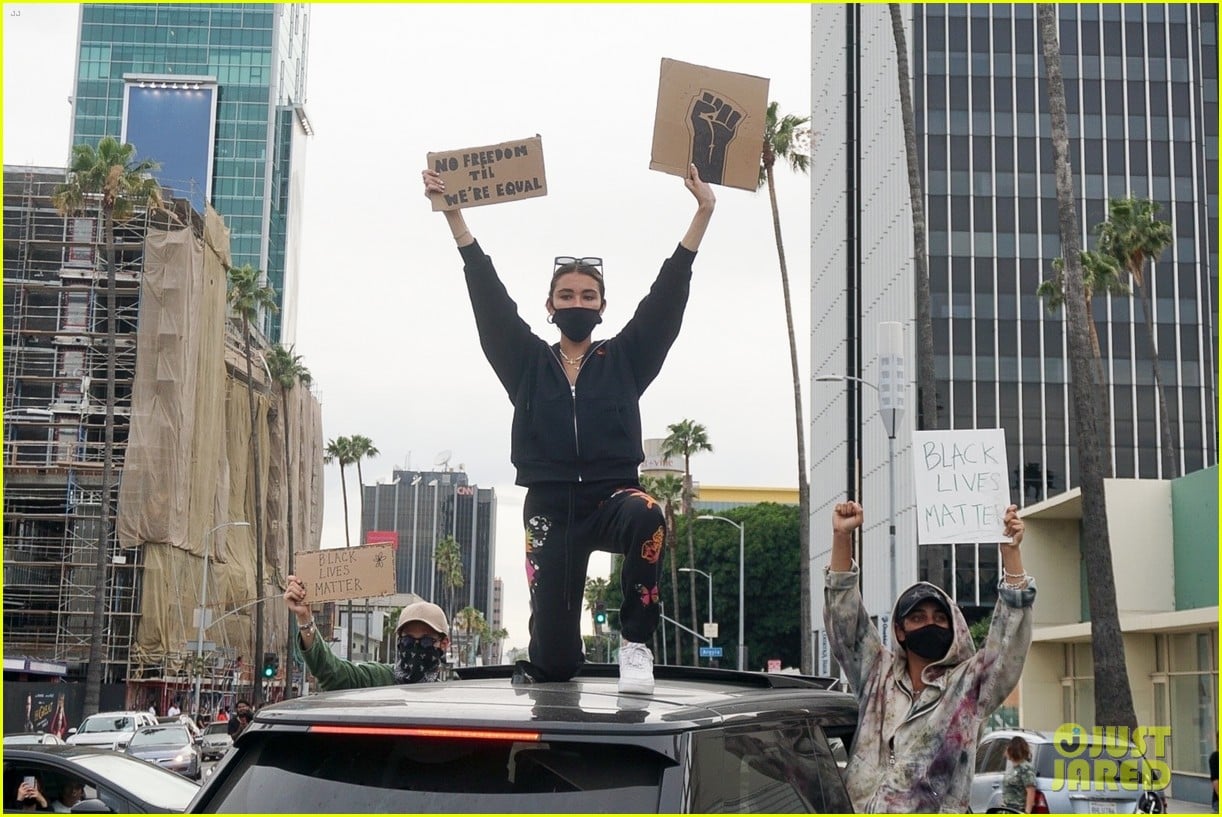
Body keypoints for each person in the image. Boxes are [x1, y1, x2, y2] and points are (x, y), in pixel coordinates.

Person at [421, 162, 716, 694]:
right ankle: (554, 657)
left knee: (649, 514)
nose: (577, 303)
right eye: (566, 296)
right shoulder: (527, 363)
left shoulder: (625, 359)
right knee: (554, 662)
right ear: (549, 306)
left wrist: (703, 212)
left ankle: (635, 645)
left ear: (602, 307)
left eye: (587, 296)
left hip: (613, 497)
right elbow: (489, 300)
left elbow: (667, 298)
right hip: (550, 509)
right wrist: (455, 218)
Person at [824, 500, 1036, 812]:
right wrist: (842, 536)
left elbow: (1007, 645)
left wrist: (1011, 554)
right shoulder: (877, 675)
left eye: (939, 618)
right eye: (917, 618)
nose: (930, 624)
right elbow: (846, 624)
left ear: (954, 629)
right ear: (900, 631)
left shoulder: (968, 688)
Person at [284, 575, 452, 689]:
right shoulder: (380, 679)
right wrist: (305, 618)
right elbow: (331, 672)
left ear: (444, 644)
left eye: (425, 642)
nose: (415, 648)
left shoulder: (457, 692)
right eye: (408, 641)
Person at [1001, 736, 1036, 813]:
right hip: (1006, 809)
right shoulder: (1012, 768)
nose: (1005, 751)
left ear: (1012, 750)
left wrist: (1027, 812)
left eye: (1007, 748)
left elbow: (1030, 791)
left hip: (1017, 809)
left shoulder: (1025, 768)